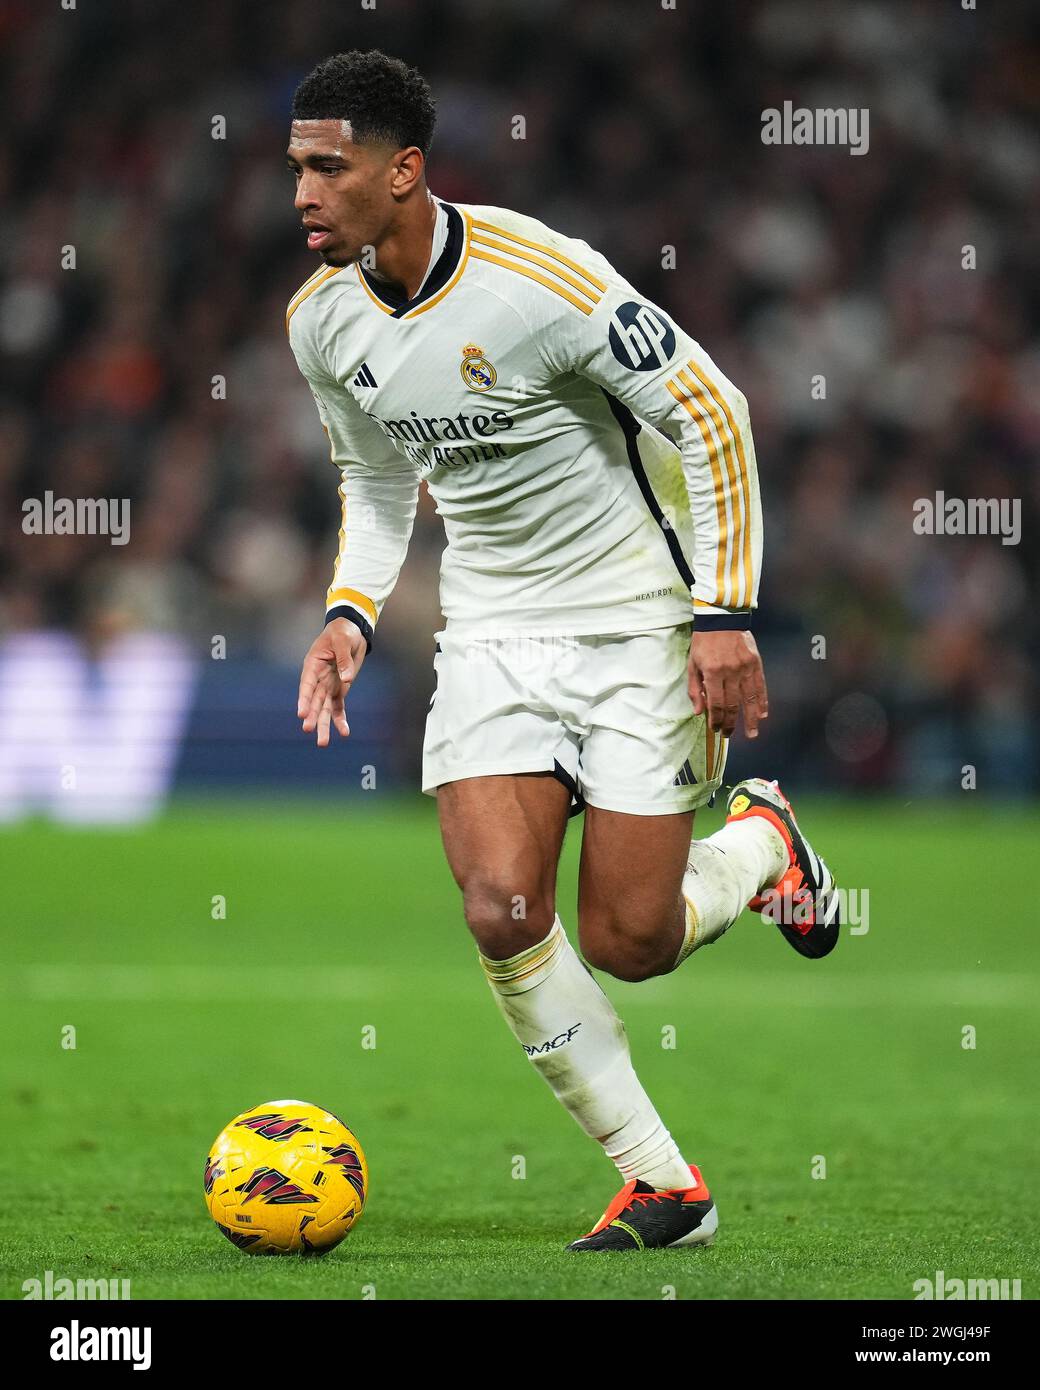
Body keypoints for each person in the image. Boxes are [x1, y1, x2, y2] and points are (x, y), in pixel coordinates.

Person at [287, 49, 840, 1252]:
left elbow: (713, 412)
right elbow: (375, 482)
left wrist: (725, 613)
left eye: (328, 167)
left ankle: (760, 840)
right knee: (499, 907)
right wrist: (348, 610)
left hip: (639, 619)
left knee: (628, 942)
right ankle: (662, 1183)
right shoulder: (320, 321)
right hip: (489, 632)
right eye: (296, 167)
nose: (303, 193)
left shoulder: (541, 277)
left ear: (403, 170)